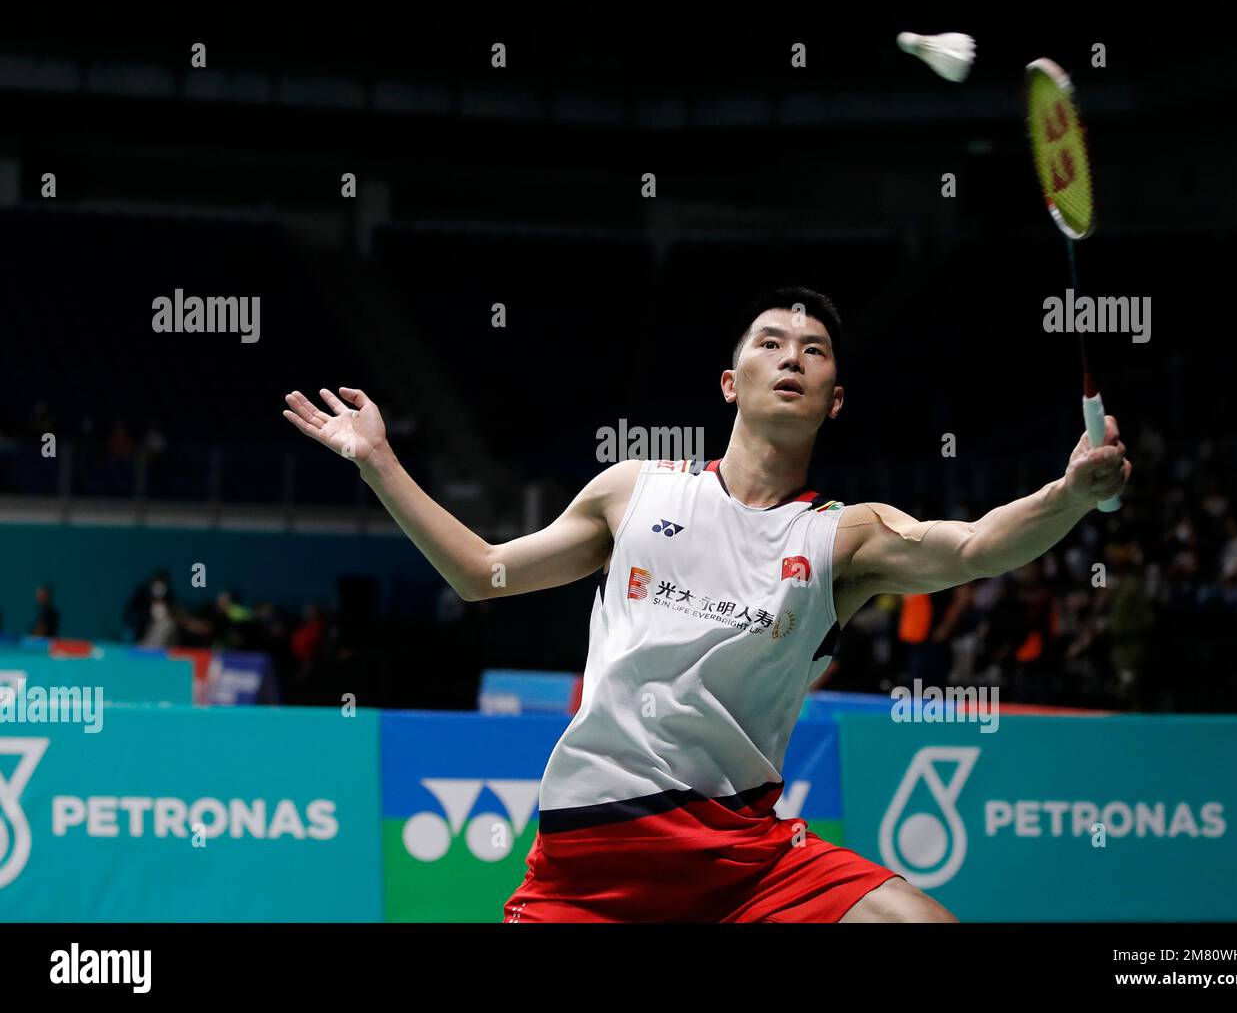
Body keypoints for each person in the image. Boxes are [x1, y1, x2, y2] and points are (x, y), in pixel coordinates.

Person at [282, 286, 1131, 923]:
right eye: (772, 342)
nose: (792, 356)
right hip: (594, 860)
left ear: (836, 399)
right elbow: (484, 573)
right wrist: (378, 462)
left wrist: (1069, 494)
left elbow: (979, 545)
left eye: (815, 349)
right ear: (732, 382)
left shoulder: (846, 538)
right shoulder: (634, 493)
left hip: (744, 857)